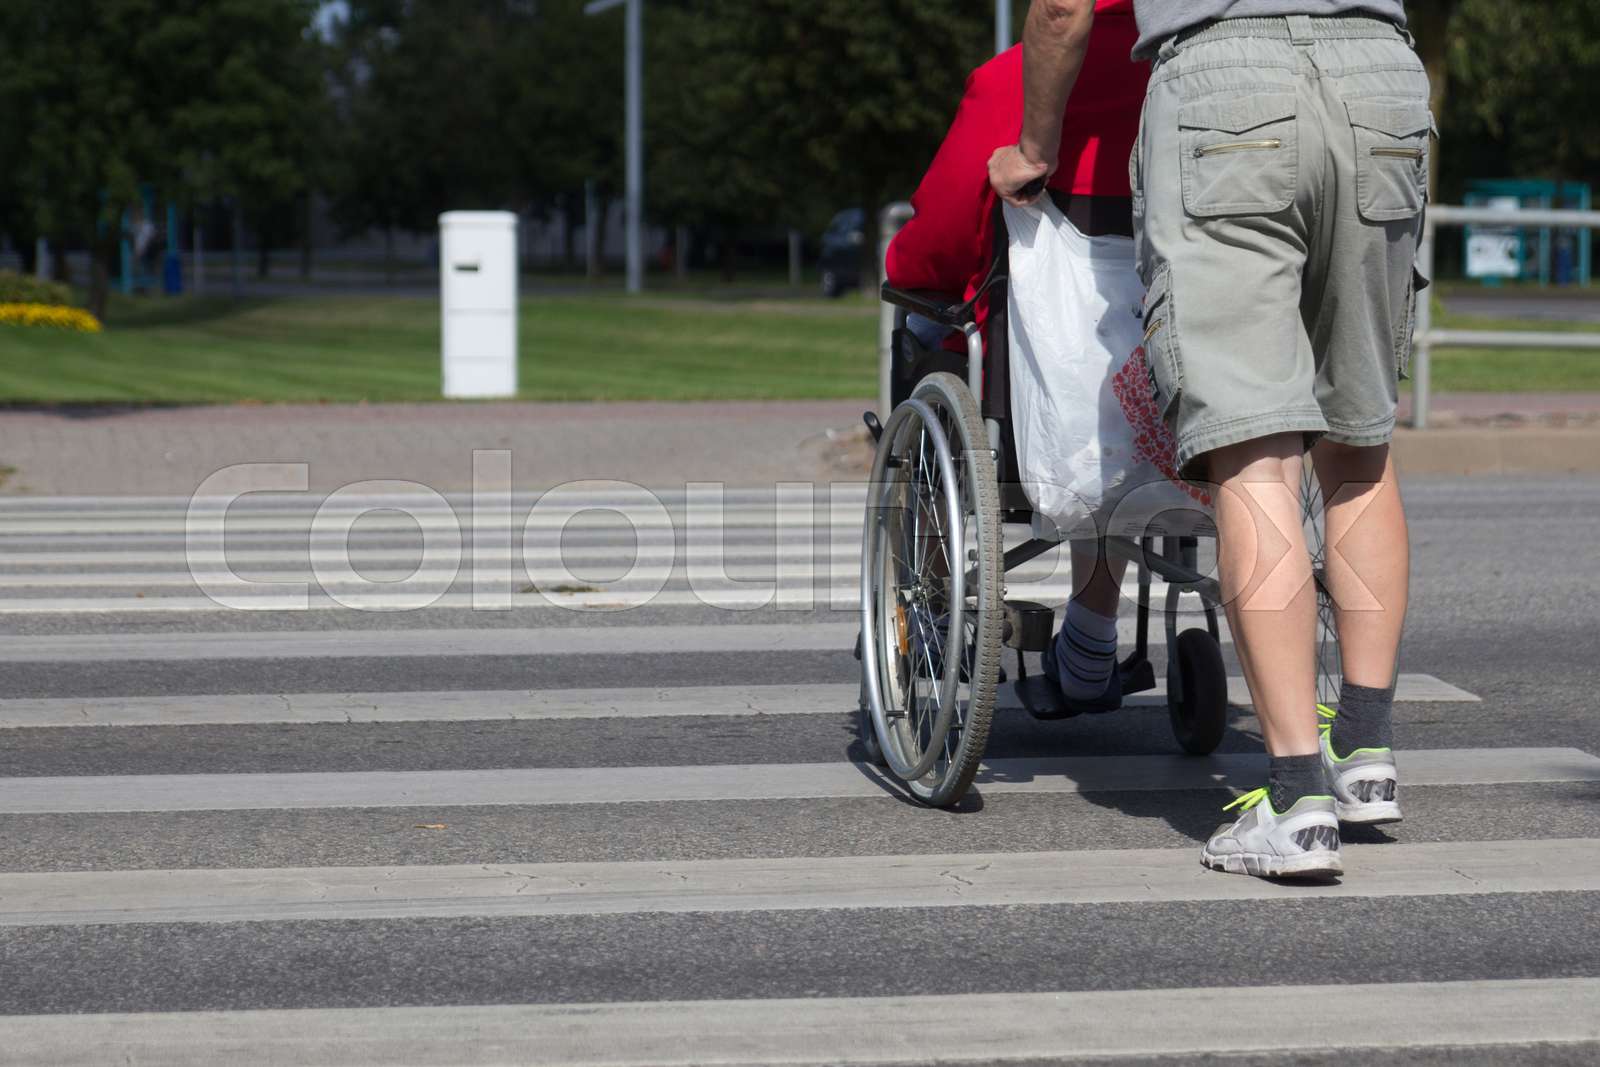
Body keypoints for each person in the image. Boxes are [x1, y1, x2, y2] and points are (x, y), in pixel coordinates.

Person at [993, 0, 1424, 879]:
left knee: (1254, 446)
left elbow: (1062, 8)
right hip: (1383, 77)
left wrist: (1037, 147)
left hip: (1229, 87)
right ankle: (1366, 750)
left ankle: (1297, 796)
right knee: (1360, 441)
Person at [886, 0, 1147, 714]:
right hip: (1171, 378)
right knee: (1128, 392)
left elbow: (936, 237)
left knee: (928, 330)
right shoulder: (1193, 68)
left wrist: (902, 264)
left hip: (1036, 383)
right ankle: (1092, 634)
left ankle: (937, 595)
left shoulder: (1016, 81)